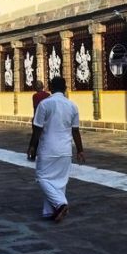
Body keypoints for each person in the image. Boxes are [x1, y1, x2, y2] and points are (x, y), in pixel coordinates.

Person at [26, 77, 85, 223]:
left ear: (51, 88)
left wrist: (32, 146)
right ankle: (50, 211)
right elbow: (75, 131)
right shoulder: (72, 106)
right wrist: (80, 150)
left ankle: (60, 204)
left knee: (42, 177)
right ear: (65, 88)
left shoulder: (44, 104)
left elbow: (37, 129)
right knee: (59, 181)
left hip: (48, 149)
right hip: (65, 149)